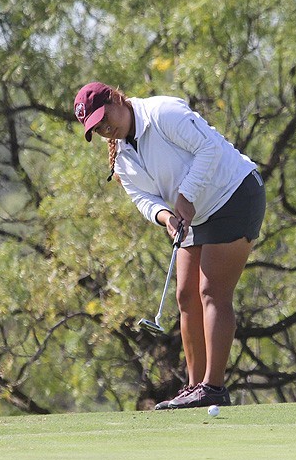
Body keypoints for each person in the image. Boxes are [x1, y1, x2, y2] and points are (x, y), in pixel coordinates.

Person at [73, 82, 265, 409]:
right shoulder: (121, 159)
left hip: (234, 194)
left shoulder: (163, 113)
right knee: (186, 295)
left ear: (117, 99)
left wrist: (185, 196)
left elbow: (210, 149)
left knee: (211, 292)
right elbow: (142, 199)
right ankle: (194, 386)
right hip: (193, 213)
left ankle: (213, 387)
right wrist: (166, 217)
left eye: (106, 119)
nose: (107, 130)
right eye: (98, 128)